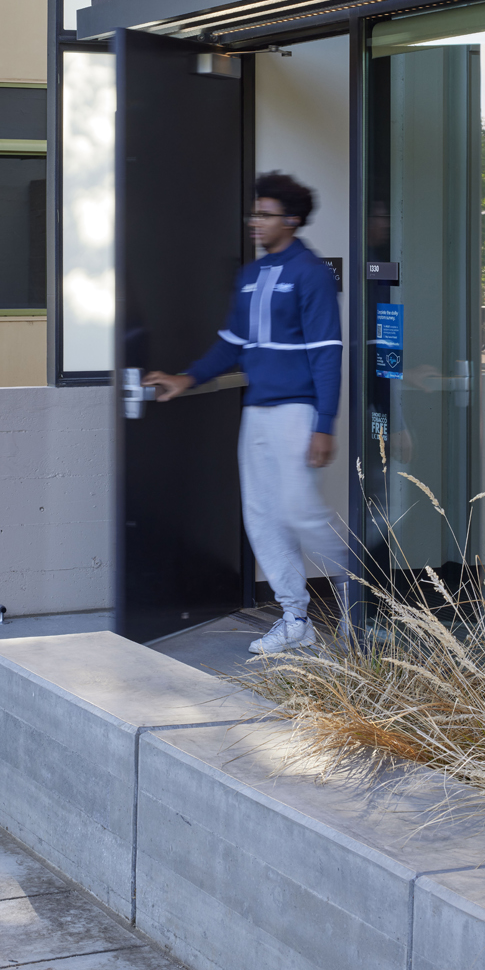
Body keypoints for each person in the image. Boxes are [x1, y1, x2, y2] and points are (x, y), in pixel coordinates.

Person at [143, 171, 348, 655]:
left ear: (292, 221)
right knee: (261, 515)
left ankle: (359, 598)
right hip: (256, 410)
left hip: (298, 410)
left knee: (299, 510)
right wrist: (186, 378)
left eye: (266, 214)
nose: (255, 222)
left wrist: (324, 425)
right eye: (253, 212)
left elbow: (327, 351)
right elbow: (231, 343)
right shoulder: (251, 275)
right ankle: (295, 618)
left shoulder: (311, 273)